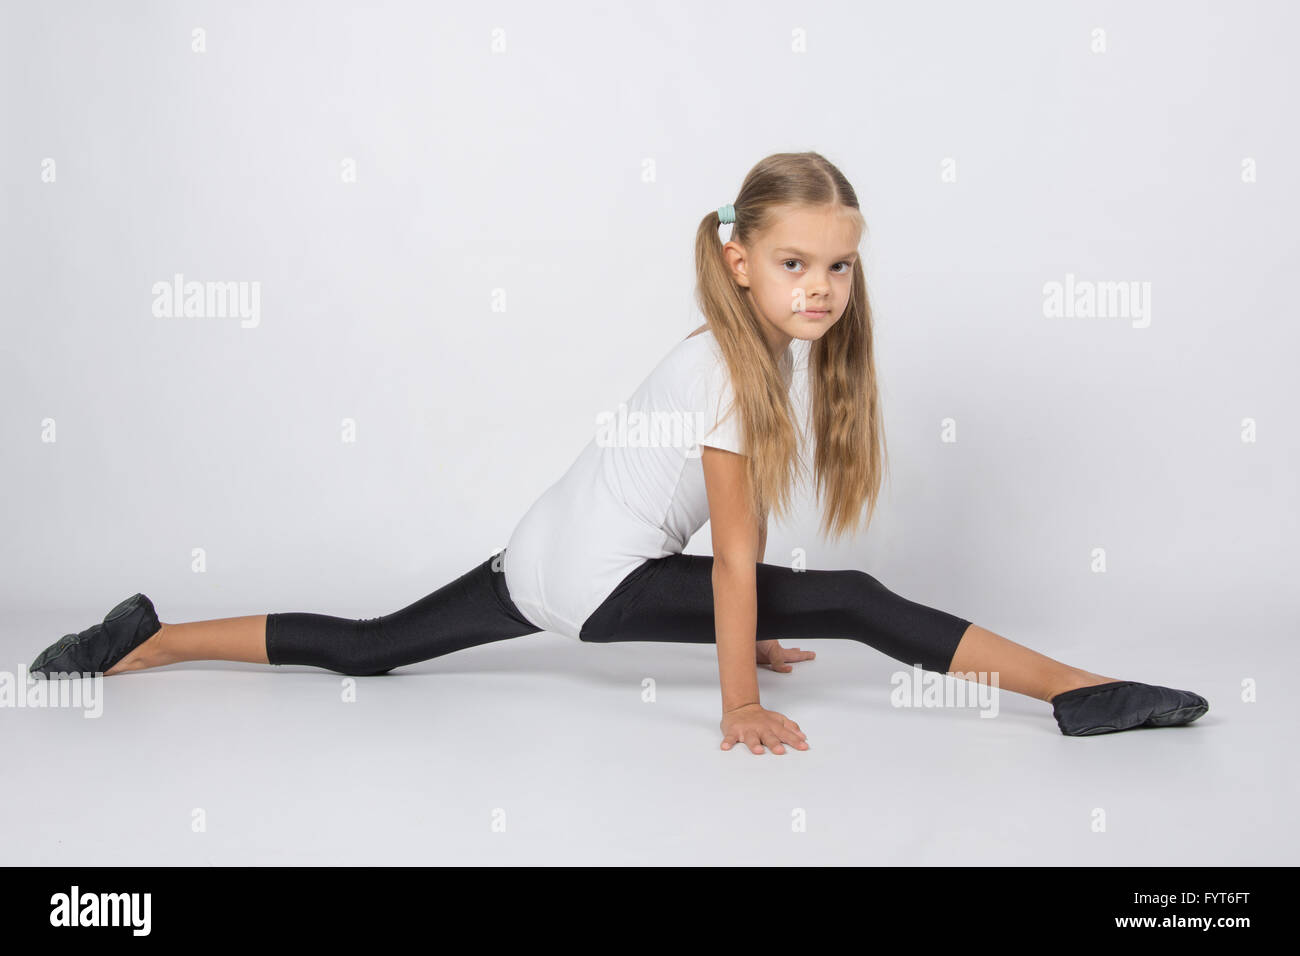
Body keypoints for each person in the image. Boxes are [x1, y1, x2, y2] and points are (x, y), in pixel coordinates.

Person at [29, 151, 1209, 752]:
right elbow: (736, 562)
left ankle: (148, 639)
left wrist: (733, 621)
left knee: (369, 648)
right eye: (795, 263)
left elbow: (713, 567)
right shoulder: (734, 375)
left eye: (838, 265)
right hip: (587, 585)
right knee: (850, 594)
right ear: (740, 256)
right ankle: (1074, 690)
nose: (822, 288)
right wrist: (735, 693)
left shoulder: (729, 342)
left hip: (533, 555)